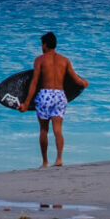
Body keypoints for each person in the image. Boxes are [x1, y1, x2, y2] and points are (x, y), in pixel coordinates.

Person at [21, 31, 88, 168]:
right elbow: (75, 79)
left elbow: (34, 83)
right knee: (58, 130)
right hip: (60, 96)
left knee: (44, 130)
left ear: (45, 44)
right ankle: (59, 159)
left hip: (45, 95)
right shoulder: (65, 60)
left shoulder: (40, 60)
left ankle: (45, 162)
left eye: (42, 44)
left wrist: (26, 103)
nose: (41, 47)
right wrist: (84, 83)